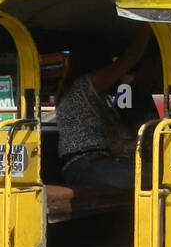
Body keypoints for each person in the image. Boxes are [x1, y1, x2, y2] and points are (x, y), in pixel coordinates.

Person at [56, 27, 152, 189]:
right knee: (160, 175)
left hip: (101, 162)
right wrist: (148, 26)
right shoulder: (84, 85)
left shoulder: (103, 97)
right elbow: (130, 58)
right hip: (84, 164)